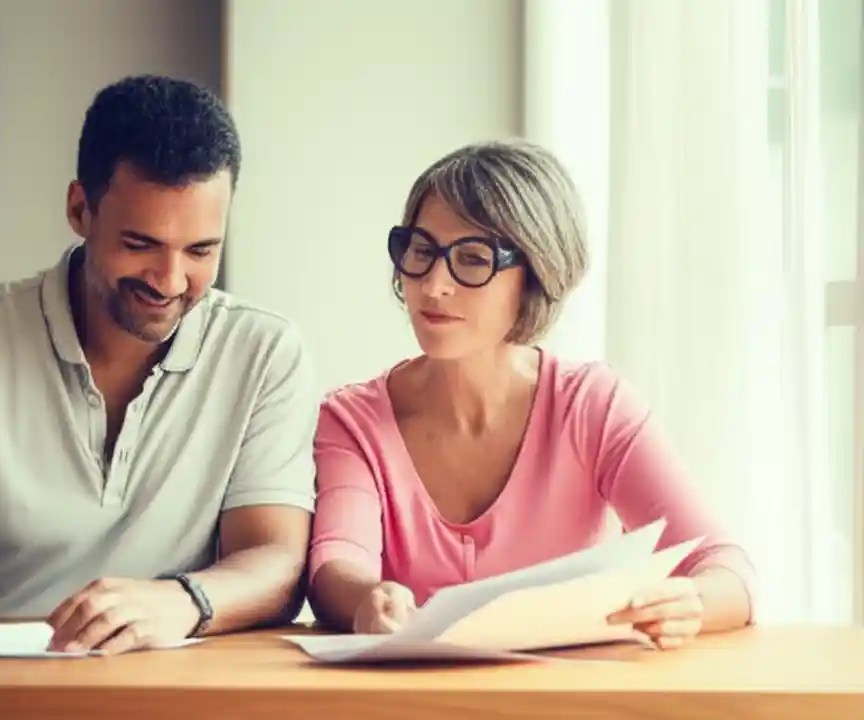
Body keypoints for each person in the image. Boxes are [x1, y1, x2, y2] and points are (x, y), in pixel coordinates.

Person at [0, 75, 317, 655]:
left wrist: (180, 600)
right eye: (140, 244)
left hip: (170, 690)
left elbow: (278, 561)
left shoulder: (264, 352)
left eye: (201, 251)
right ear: (79, 209)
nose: (171, 282)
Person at [306, 140, 755, 650]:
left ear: (538, 274)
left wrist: (689, 602)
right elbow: (335, 565)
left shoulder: (593, 406)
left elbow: (727, 570)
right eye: (422, 251)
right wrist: (368, 599)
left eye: (472, 260)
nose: (434, 285)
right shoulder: (351, 420)